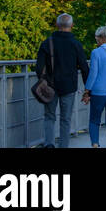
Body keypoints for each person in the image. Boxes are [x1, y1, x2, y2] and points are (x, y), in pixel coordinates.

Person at [34, 13, 89, 148]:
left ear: (57, 25)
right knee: (66, 119)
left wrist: (44, 82)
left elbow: (38, 68)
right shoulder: (76, 44)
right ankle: (63, 146)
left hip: (50, 87)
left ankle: (49, 144)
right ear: (72, 26)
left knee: (49, 116)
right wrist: (88, 90)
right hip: (69, 87)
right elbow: (84, 68)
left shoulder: (47, 43)